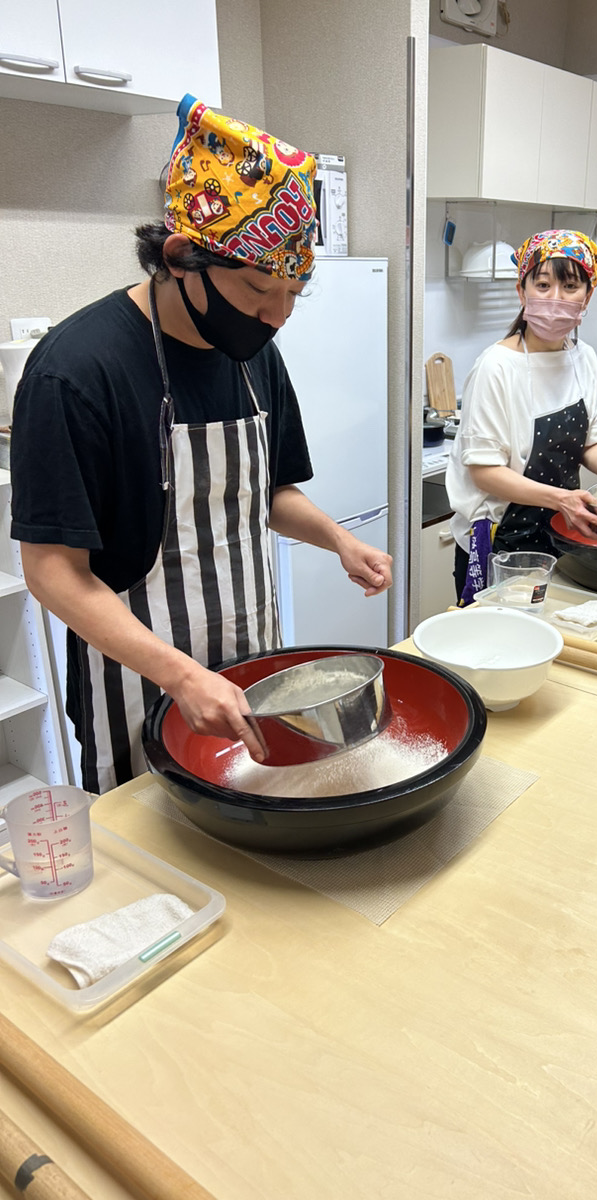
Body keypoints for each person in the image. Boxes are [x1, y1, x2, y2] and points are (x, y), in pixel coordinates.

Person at [9, 95, 392, 794]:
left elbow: (267, 492)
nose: (277, 316)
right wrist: (181, 675)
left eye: (295, 292)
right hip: (137, 681)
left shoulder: (254, 354)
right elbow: (51, 571)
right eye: (258, 288)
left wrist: (337, 539)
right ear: (181, 257)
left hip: (251, 660)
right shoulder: (76, 371)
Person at [445, 229, 597, 603]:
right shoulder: (496, 367)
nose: (555, 298)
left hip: (561, 530)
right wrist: (562, 499)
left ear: (587, 295)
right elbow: (485, 472)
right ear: (522, 291)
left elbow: (591, 443)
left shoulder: (582, 358)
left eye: (570, 286)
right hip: (499, 540)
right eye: (542, 285)